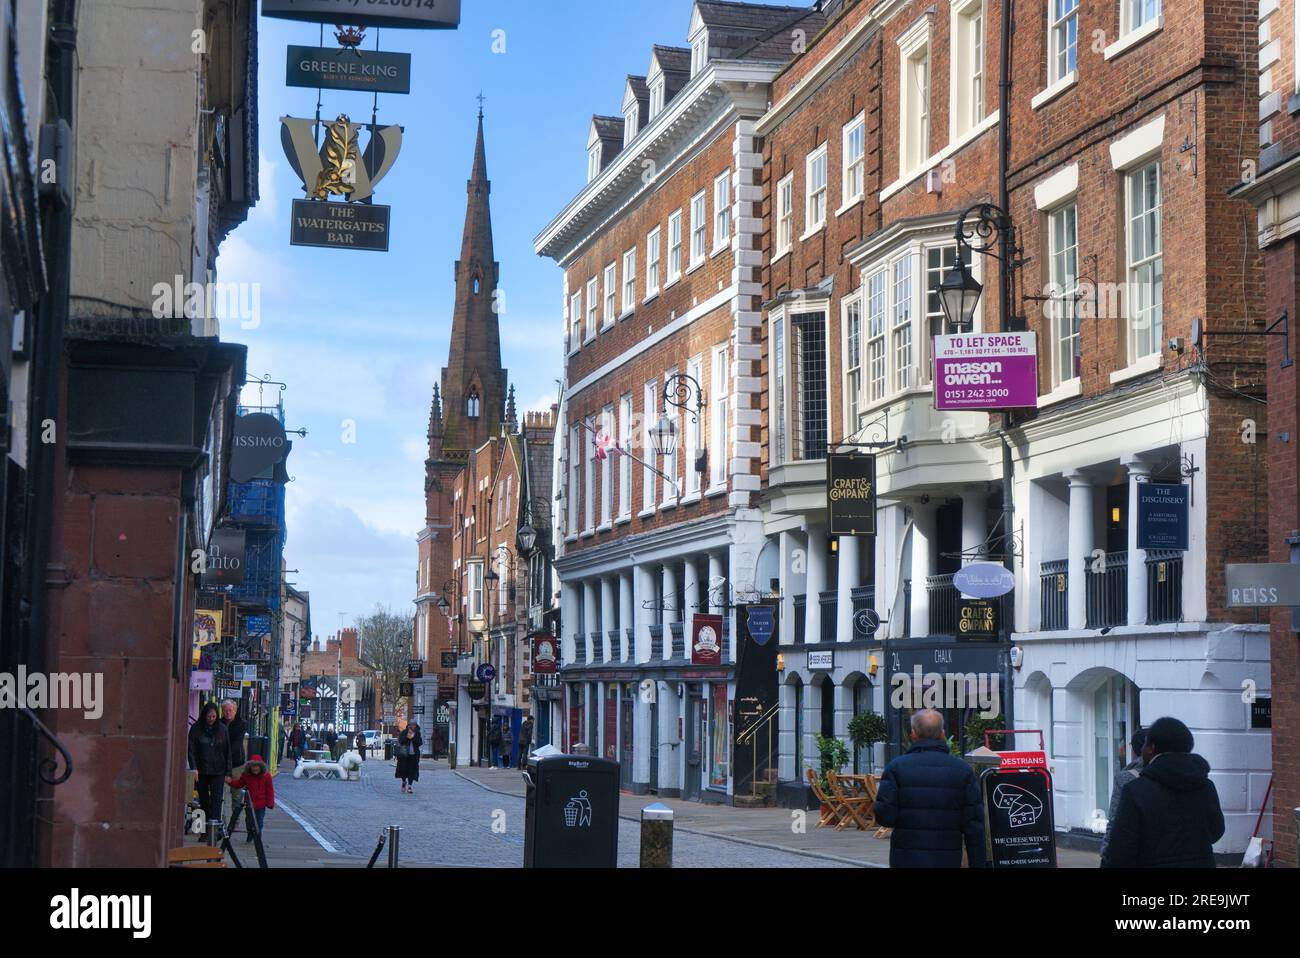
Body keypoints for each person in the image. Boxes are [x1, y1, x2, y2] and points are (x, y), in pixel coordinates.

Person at [1101, 716, 1226, 868]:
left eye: (1145, 744)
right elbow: (1217, 830)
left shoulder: (1135, 791)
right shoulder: (1205, 786)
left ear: (1151, 747)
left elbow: (1120, 850)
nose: (1142, 749)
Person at [873, 708, 985, 868]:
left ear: (913, 734)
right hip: (947, 858)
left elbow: (885, 818)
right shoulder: (962, 771)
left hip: (906, 858)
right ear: (942, 733)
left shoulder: (896, 768)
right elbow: (974, 825)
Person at [1100, 726, 1148, 861]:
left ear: (1134, 750)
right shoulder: (1173, 776)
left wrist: (1106, 850)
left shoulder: (1125, 778)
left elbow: (1114, 818)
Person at [187, 702, 232, 828]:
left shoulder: (222, 729)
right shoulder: (196, 729)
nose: (211, 719)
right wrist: (194, 768)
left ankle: (214, 828)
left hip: (218, 769)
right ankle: (202, 828)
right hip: (202, 769)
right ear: (204, 716)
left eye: (213, 716)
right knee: (203, 800)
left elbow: (227, 751)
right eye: (209, 717)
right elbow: (191, 750)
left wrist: (228, 773)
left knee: (217, 800)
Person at [226, 754, 275, 843]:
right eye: (253, 767)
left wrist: (270, 803)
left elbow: (270, 790)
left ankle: (257, 837)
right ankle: (250, 834)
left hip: (261, 804)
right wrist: (231, 782)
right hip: (249, 803)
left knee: (259, 822)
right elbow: (239, 784)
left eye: (257, 767)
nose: (255, 769)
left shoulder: (266, 776)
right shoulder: (246, 775)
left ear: (261, 767)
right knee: (248, 821)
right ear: (250, 767)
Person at [220, 700, 247, 828]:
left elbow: (237, 744)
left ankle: (234, 822)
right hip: (220, 765)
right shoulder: (218, 723)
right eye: (225, 710)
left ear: (235, 711)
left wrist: (224, 754)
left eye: (230, 710)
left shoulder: (240, 724)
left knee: (236, 795)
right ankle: (222, 821)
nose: (228, 712)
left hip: (236, 764)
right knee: (221, 794)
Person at [395, 723, 422, 794]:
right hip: (404, 755)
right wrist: (407, 737)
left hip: (413, 756)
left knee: (412, 771)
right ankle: (404, 782)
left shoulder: (417, 733)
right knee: (403, 770)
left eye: (414, 725)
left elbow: (420, 743)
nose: (412, 727)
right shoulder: (404, 732)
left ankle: (410, 786)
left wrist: (413, 738)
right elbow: (401, 741)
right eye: (411, 725)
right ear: (408, 726)